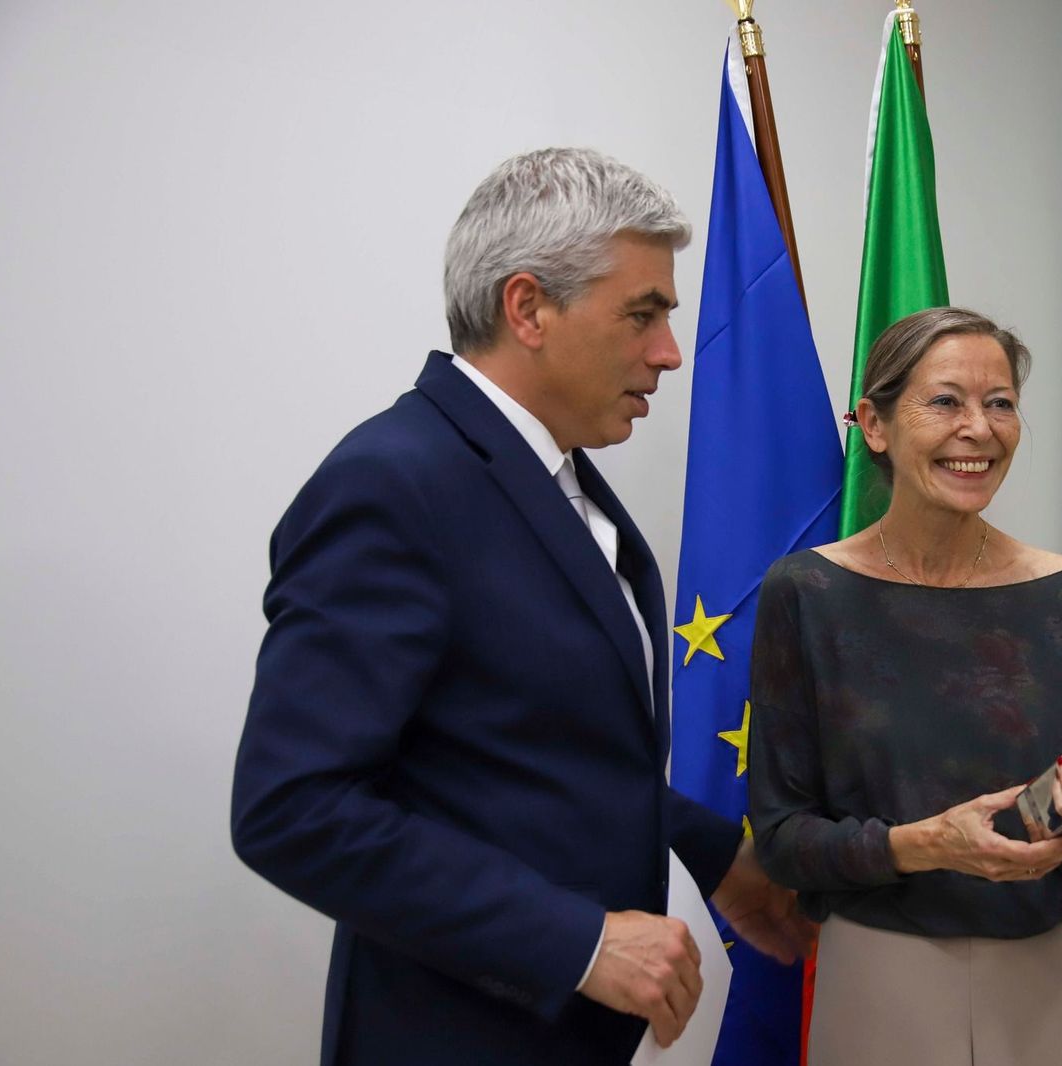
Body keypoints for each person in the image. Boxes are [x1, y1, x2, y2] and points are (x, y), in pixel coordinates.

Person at [231, 148, 809, 1066]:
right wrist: (577, 943)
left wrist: (711, 852)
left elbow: (531, 749)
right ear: (528, 307)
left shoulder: (559, 475)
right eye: (644, 314)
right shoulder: (394, 483)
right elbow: (293, 808)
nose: (669, 350)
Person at [748, 307, 1062, 1066]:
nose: (978, 428)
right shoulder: (806, 592)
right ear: (874, 425)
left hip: (1056, 986)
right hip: (881, 984)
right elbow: (782, 841)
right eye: (945, 401)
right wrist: (927, 846)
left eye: (1000, 402)